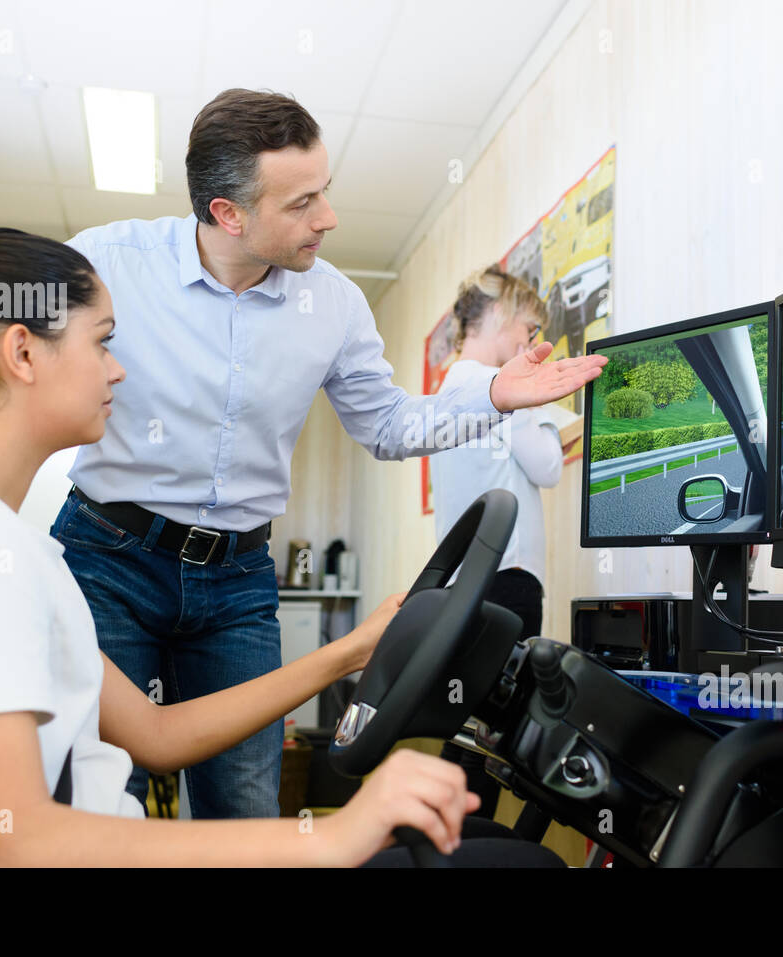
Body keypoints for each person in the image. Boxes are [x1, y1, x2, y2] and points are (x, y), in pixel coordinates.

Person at [57, 88, 605, 819]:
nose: (329, 217)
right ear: (228, 213)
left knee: (247, 807)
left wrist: (494, 398)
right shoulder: (105, 264)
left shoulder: (336, 304)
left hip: (235, 582)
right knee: (95, 802)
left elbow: (389, 427)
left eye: (327, 191)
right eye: (302, 201)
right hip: (107, 557)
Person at [0, 230, 481, 866]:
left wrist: (348, 653)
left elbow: (155, 735)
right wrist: (334, 836)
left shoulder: (8, 544)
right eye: (101, 341)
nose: (118, 368)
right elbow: (16, 843)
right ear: (23, 353)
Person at [429, 265, 564, 817]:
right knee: (487, 740)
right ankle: (463, 845)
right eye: (529, 331)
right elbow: (549, 466)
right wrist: (549, 411)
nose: (532, 345)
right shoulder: (498, 388)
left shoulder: (448, 389)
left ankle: (443, 842)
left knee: (465, 730)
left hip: (465, 589)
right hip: (507, 583)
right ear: (500, 317)